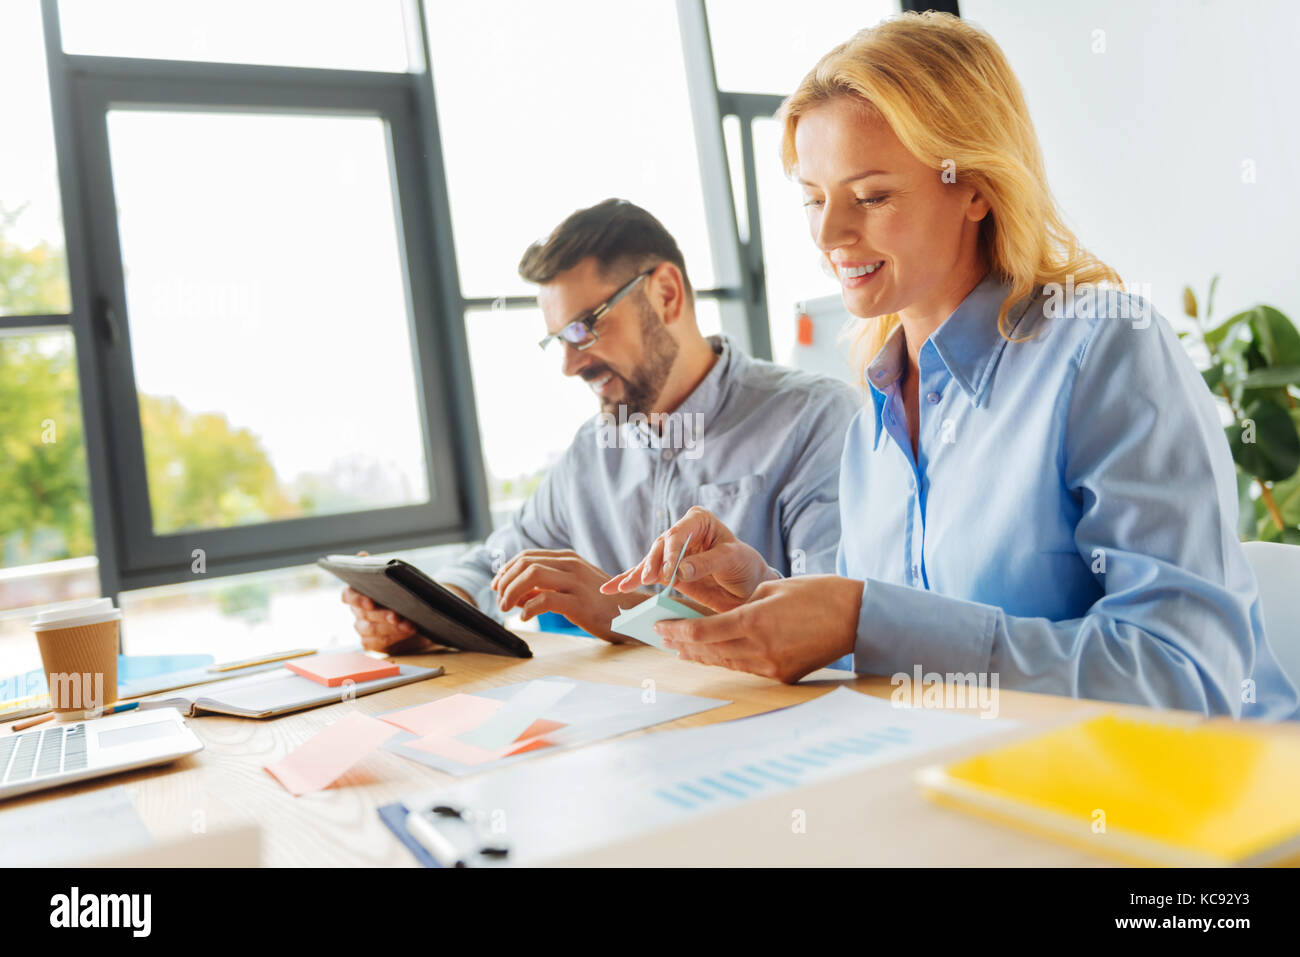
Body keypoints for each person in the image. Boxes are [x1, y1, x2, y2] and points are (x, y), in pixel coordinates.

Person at [602, 13, 1300, 720]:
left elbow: (1185, 678)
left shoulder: (1104, 350)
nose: (829, 234)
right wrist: (760, 594)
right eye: (814, 199)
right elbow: (898, 645)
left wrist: (861, 620)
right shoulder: (876, 402)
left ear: (975, 186)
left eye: (871, 196)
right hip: (984, 791)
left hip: (1190, 811)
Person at [343, 198, 859, 652]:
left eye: (584, 328)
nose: (570, 365)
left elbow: (830, 630)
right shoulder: (592, 451)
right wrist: (422, 616)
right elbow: (496, 561)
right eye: (558, 340)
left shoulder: (814, 420)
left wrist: (623, 614)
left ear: (666, 294)